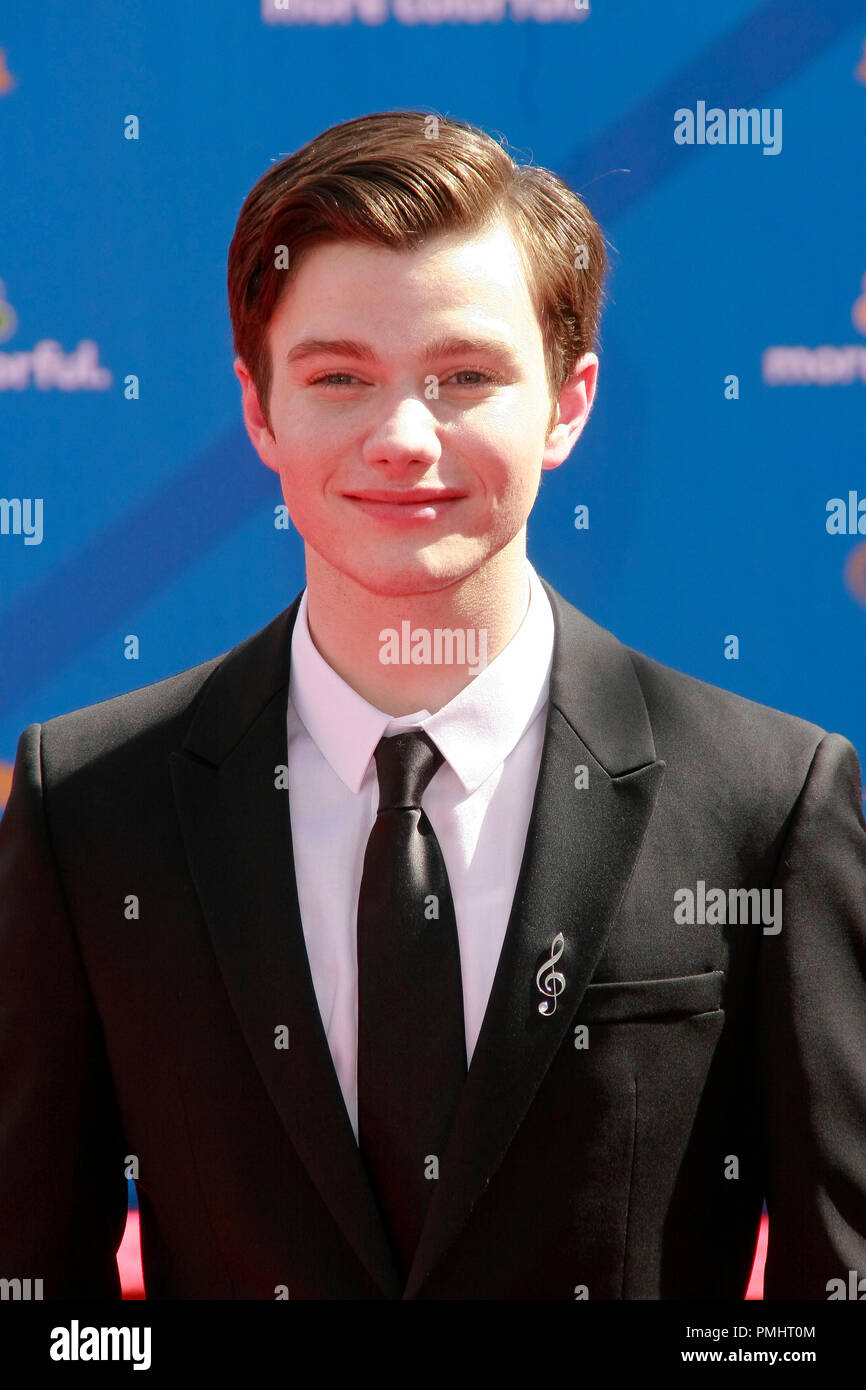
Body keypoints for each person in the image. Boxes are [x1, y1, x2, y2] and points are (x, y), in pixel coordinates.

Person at [1, 109, 864, 1301]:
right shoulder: (88, 805)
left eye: (463, 376)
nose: (402, 437)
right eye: (339, 377)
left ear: (566, 403)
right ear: (259, 411)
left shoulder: (770, 800)